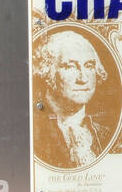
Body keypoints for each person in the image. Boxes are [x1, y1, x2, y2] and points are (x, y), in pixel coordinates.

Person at [32, 29, 116, 169]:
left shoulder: (105, 134)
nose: (83, 78)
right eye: (70, 67)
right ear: (48, 71)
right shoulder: (34, 132)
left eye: (89, 66)